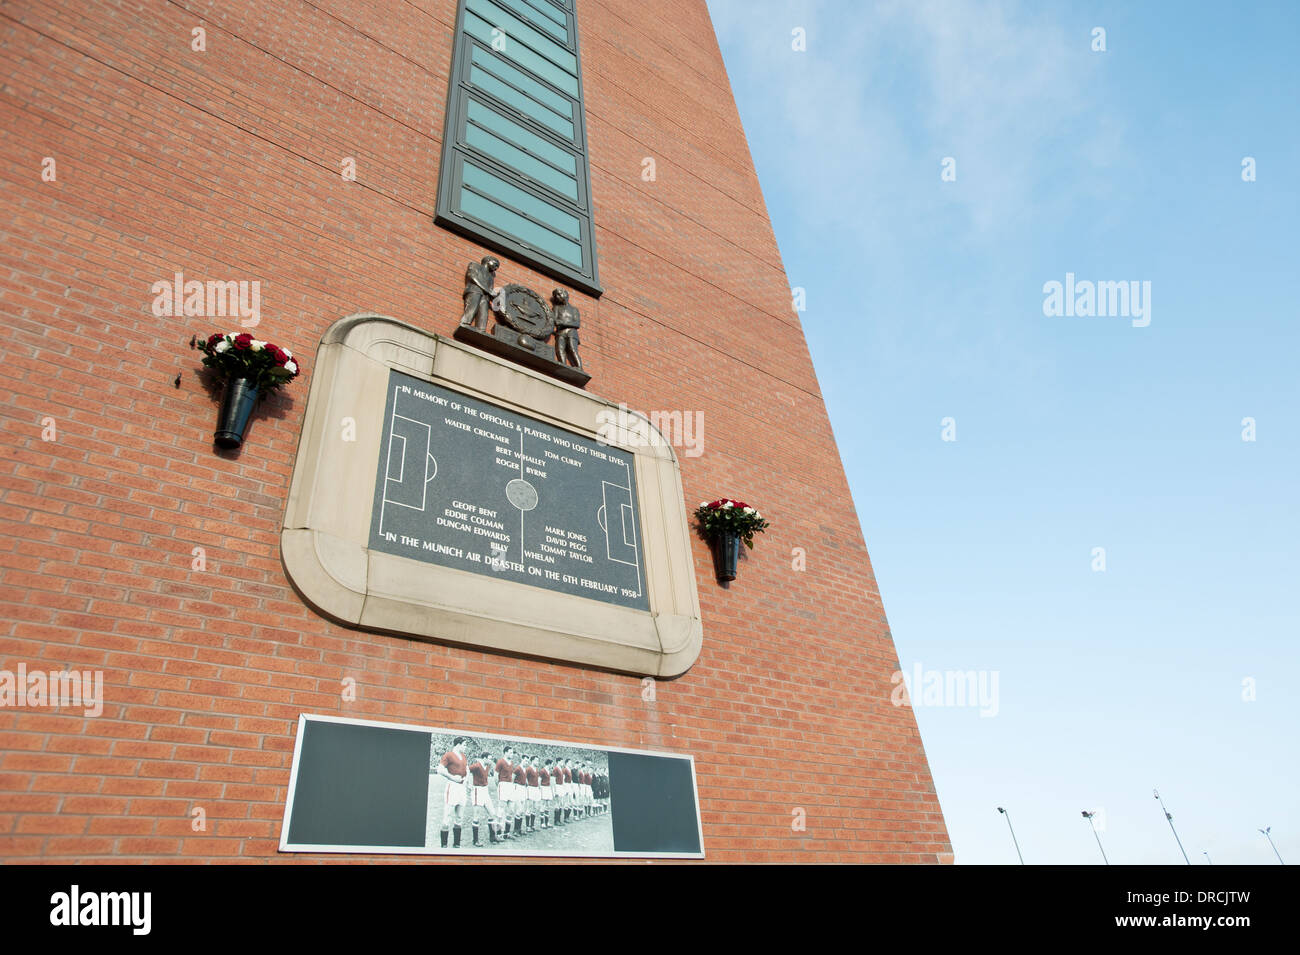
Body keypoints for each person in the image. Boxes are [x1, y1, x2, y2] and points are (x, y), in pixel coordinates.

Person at [436, 737, 472, 848]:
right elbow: (440, 770)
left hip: (462, 788)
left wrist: (467, 781)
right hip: (452, 787)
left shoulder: (464, 756)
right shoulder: (449, 755)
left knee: (460, 816)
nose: (466, 747)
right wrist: (452, 777)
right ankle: (444, 845)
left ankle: (456, 844)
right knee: (447, 815)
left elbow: (467, 770)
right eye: (464, 744)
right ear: (458, 744)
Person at [459, 256, 500, 331]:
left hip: (485, 297)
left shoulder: (491, 276)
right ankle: (465, 323)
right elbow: (472, 277)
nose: (496, 268)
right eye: (495, 264)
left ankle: (481, 329)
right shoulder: (475, 265)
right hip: (475, 291)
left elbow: (490, 289)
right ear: (488, 260)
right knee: (472, 308)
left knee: (484, 313)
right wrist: (487, 290)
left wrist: (495, 297)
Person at [467, 751, 497, 846]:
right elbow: (466, 770)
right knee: (477, 816)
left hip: (485, 791)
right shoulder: (476, 765)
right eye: (489, 758)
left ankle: (492, 837)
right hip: (477, 791)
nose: (490, 760)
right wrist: (468, 784)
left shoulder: (488, 766)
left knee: (492, 813)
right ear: (484, 758)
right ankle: (475, 840)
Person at [551, 288, 582, 369]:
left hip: (571, 332)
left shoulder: (574, 309)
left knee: (573, 349)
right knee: (559, 349)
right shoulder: (556, 308)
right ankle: (563, 365)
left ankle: (579, 367)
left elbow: (577, 324)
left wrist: (562, 323)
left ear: (565, 295)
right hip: (560, 332)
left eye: (559, 294)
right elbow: (554, 320)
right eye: (555, 295)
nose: (557, 297)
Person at [495, 746, 516, 840]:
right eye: (510, 753)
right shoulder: (500, 762)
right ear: (505, 752)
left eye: (512, 753)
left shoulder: (511, 763)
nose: (512, 754)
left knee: (511, 810)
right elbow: (495, 776)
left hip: (510, 786)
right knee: (501, 809)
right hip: (502, 785)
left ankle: (507, 833)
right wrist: (499, 785)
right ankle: (499, 833)